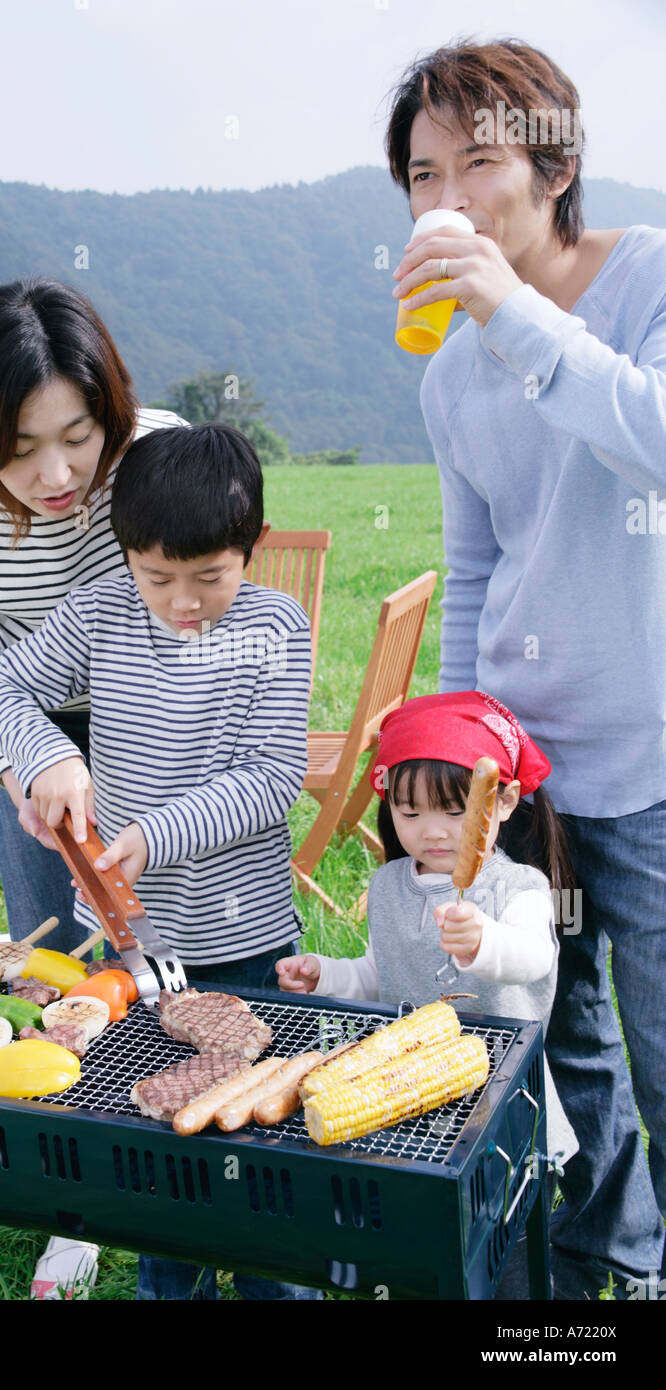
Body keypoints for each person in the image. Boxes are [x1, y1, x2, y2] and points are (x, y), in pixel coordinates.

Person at [383, 38, 666, 1296]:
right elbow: (476, 564)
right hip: (522, 775)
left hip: (651, 765)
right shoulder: (449, 373)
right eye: (419, 174)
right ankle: (607, 1256)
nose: (443, 199)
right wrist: (451, 771)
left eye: (475, 163)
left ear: (551, 167)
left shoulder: (649, 274)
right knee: (562, 1041)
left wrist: (511, 307)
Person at [0, 421, 321, 1301]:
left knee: (261, 1147)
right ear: (125, 555)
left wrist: (156, 834)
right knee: (159, 1145)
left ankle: (281, 1285)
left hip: (243, 939)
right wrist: (42, 758)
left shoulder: (277, 627)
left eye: (209, 577)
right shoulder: (101, 613)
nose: (183, 601)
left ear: (254, 548)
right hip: (132, 957)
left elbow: (272, 777)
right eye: (157, 576)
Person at [0, 276, 185, 1298]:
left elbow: (208, 597)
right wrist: (36, 761)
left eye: (77, 435)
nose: (58, 472)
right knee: (57, 975)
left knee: (171, 954)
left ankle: (199, 1175)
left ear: (108, 406)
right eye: (18, 450)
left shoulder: (160, 452)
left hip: (153, 707)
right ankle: (79, 1202)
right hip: (29, 732)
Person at [276, 690, 578, 1298]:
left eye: (455, 811)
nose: (433, 832)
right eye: (410, 814)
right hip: (417, 1099)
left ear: (505, 801)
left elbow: (534, 957)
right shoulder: (389, 885)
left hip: (503, 1107)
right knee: (428, 1244)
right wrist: (329, 975)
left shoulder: (519, 887)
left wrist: (483, 943)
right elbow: (383, 971)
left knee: (506, 1246)